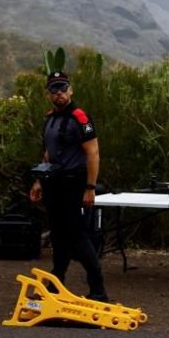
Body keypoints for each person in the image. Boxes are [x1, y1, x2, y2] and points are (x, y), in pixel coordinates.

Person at [29, 71, 108, 301]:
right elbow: (48, 152)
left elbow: (93, 153)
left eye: (63, 88)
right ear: (48, 94)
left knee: (78, 236)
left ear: (71, 90)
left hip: (76, 183)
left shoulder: (80, 118)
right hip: (53, 184)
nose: (59, 93)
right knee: (58, 236)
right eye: (54, 89)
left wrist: (90, 187)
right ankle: (56, 285)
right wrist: (39, 181)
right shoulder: (49, 118)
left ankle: (98, 289)